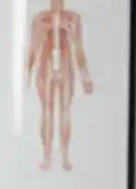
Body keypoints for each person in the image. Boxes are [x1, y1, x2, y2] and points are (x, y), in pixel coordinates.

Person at [27, 0, 94, 171]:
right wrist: (26, 76)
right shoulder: (41, 19)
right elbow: (33, 49)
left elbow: (79, 49)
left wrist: (85, 76)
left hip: (65, 68)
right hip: (45, 68)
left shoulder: (73, 19)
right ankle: (46, 156)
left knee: (65, 113)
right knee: (47, 113)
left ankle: (65, 156)